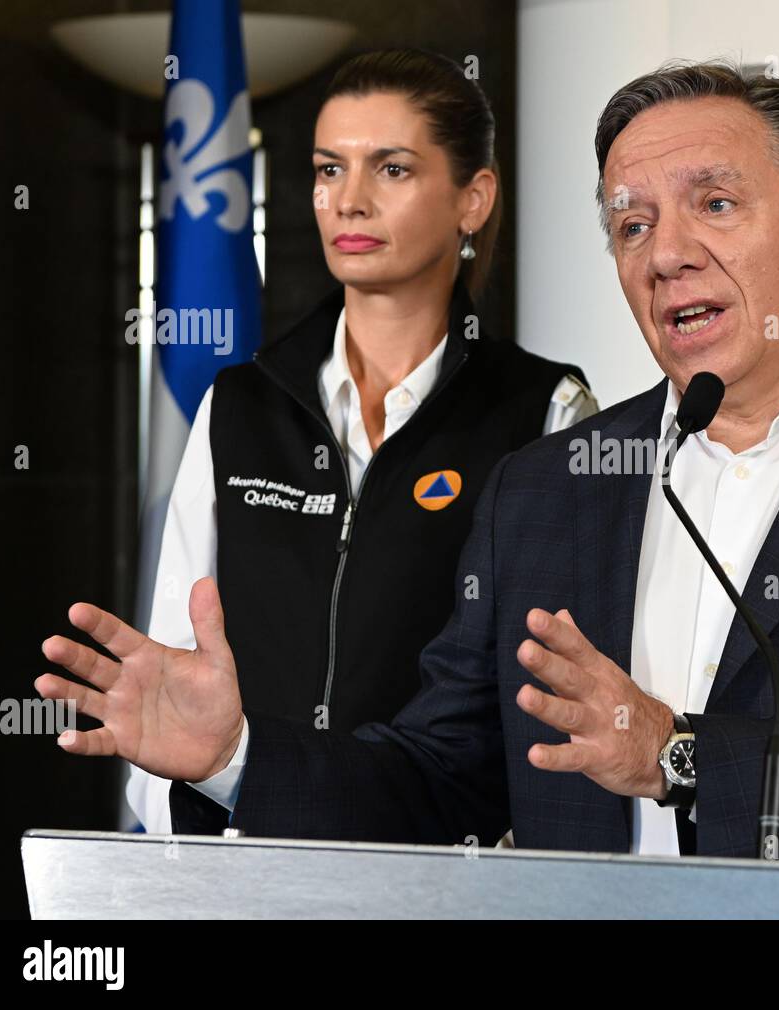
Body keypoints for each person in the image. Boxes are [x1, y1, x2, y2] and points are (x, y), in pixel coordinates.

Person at [40, 59, 779, 920]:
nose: (666, 254)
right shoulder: (547, 487)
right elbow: (437, 779)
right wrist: (234, 754)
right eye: (629, 224)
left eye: (714, 205)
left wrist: (680, 755)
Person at [125, 49, 597, 832]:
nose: (348, 201)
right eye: (327, 169)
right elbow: (172, 673)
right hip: (246, 872)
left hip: (446, 884)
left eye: (392, 169)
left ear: (472, 199)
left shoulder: (545, 413)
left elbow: (544, 707)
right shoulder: (240, 405)